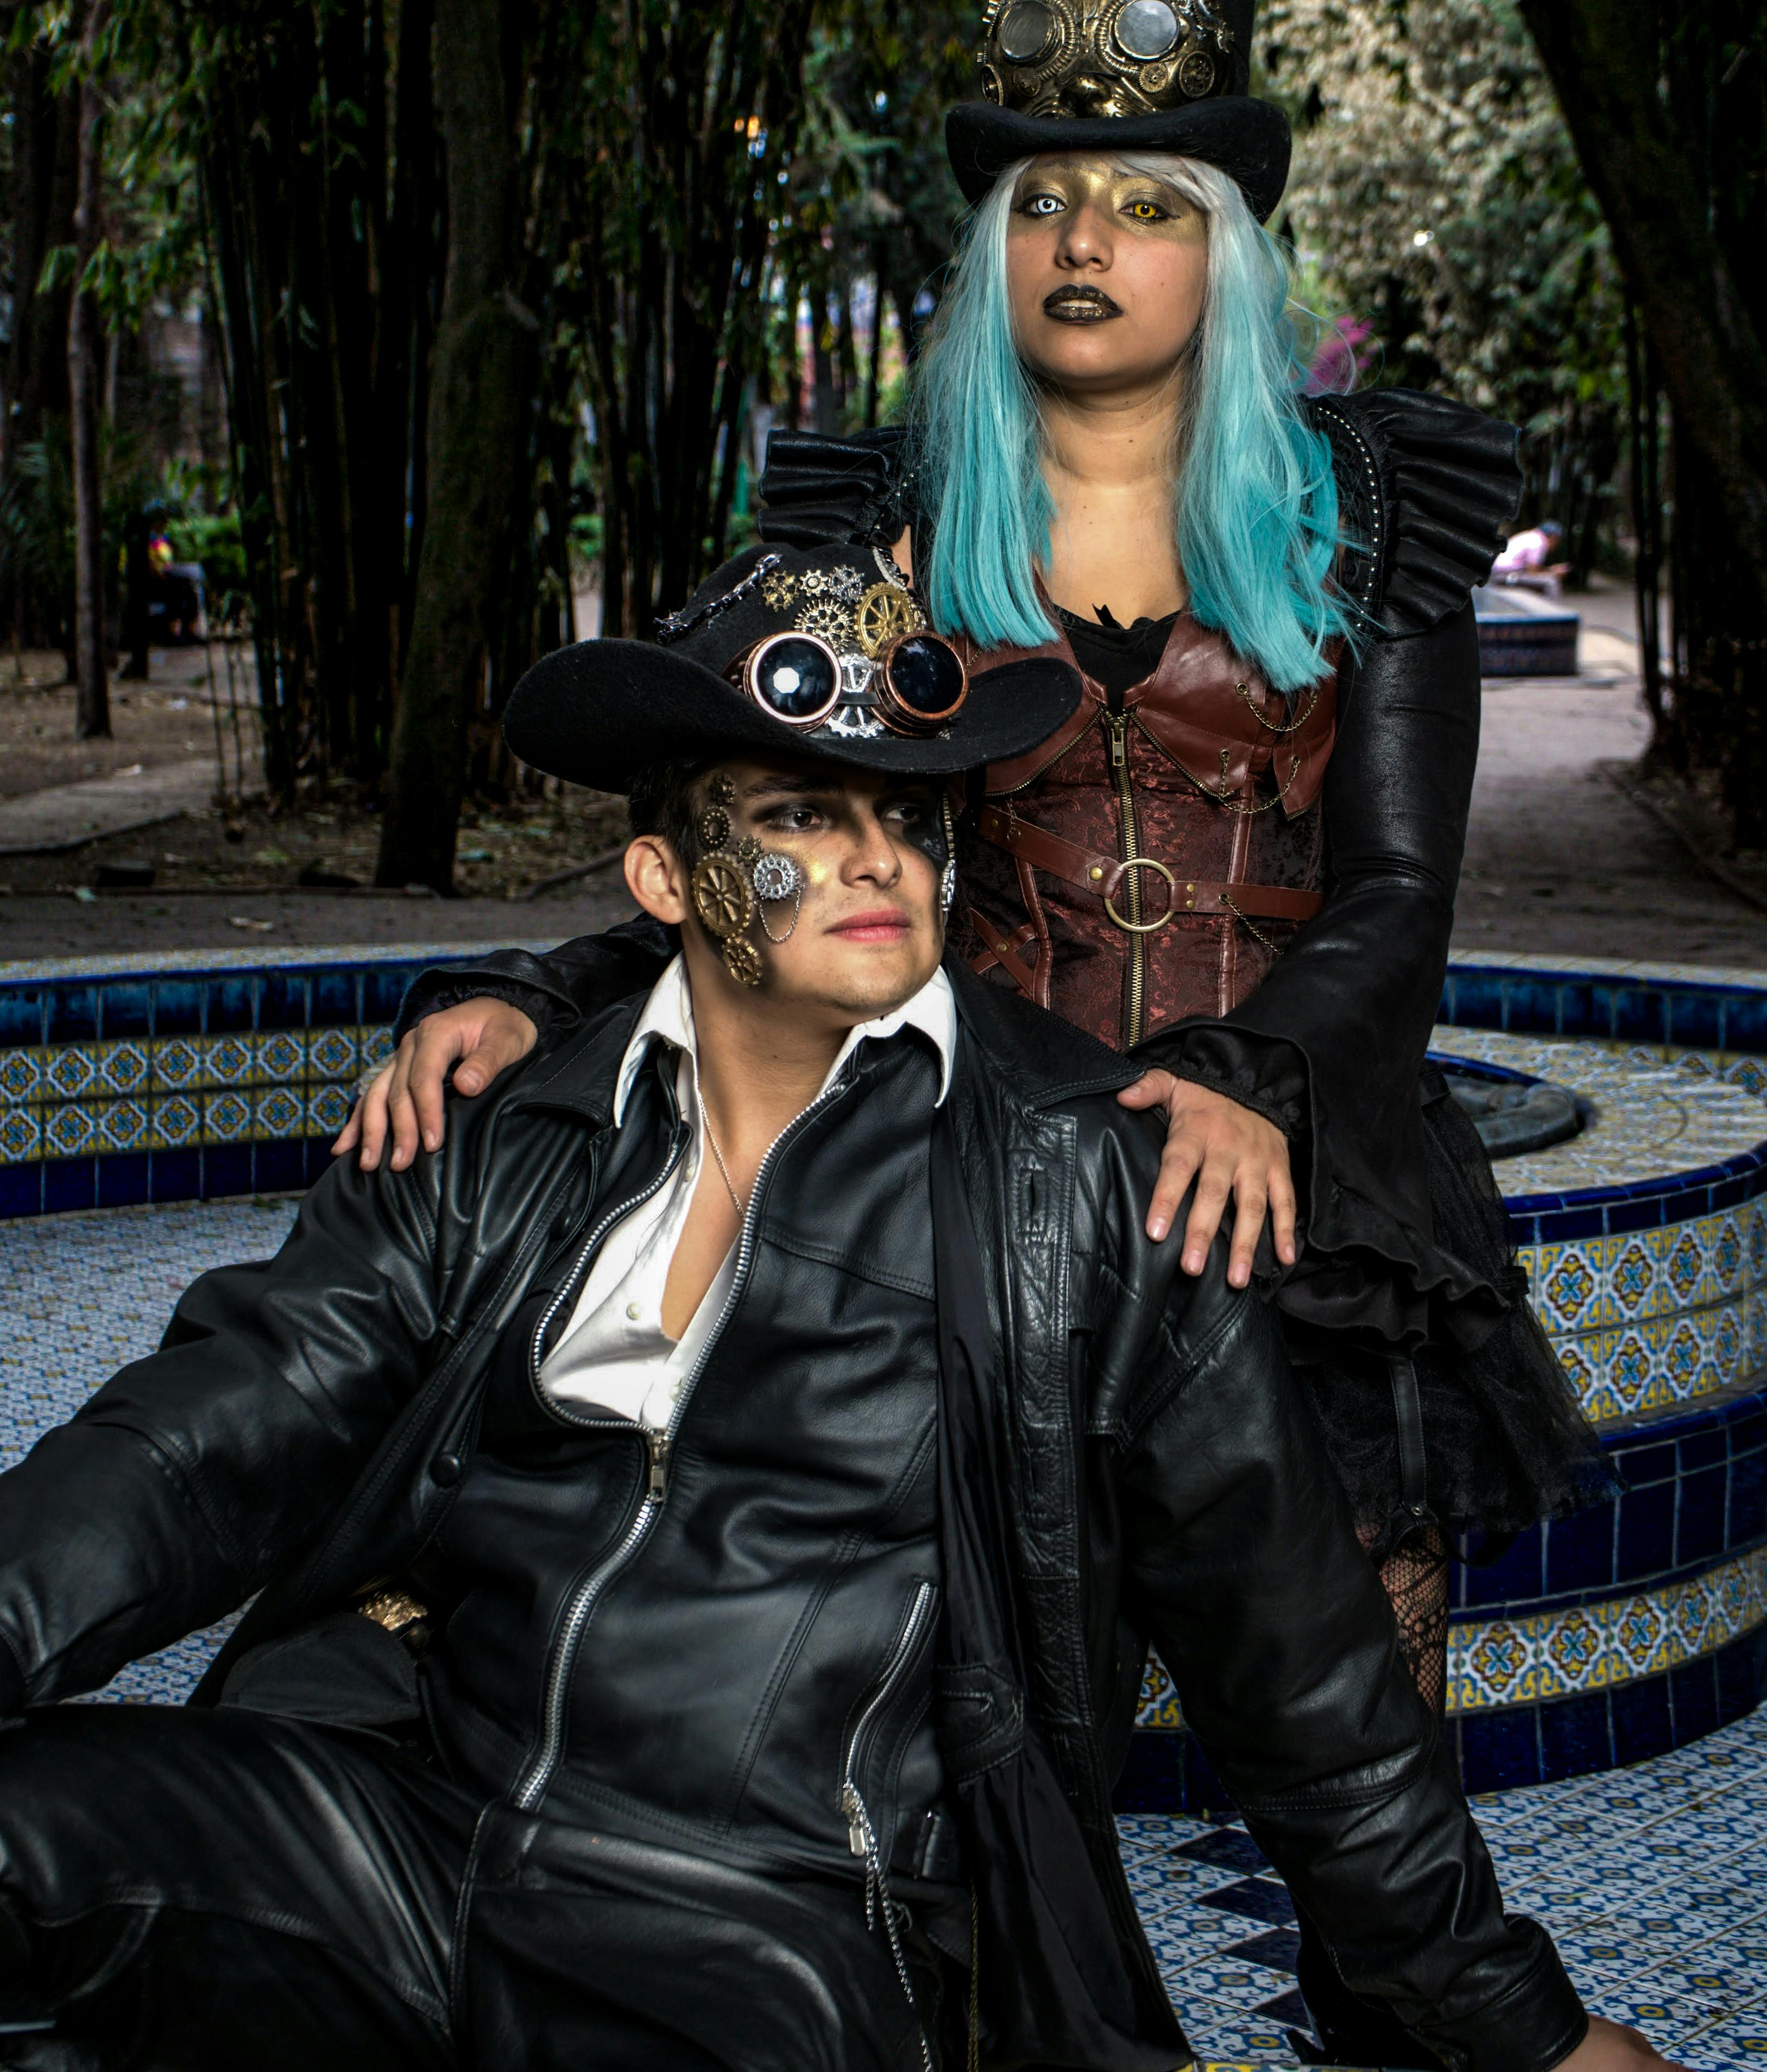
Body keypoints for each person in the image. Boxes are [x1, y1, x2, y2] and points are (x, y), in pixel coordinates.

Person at [359, 0, 1604, 2065]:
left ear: (1223, 246)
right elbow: (760, 832)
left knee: (1364, 1807)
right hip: (973, 1186)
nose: (1087, 241)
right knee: (954, 1776)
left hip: (1291, 1192)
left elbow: (1398, 903)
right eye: (1043, 203)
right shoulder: (877, 525)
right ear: (992, 248)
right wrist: (535, 991)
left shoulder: (1363, 509)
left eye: (1144, 198)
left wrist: (1236, 1078)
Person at [0, 546, 1676, 2072]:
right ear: (664, 874)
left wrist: (1518, 2027)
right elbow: (204, 1431)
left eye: (909, 809)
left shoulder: (1082, 1184)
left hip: (776, 1926)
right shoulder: (510, 1128)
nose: (878, 854)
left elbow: (1307, 1675)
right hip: (402, 1823)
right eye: (799, 812)